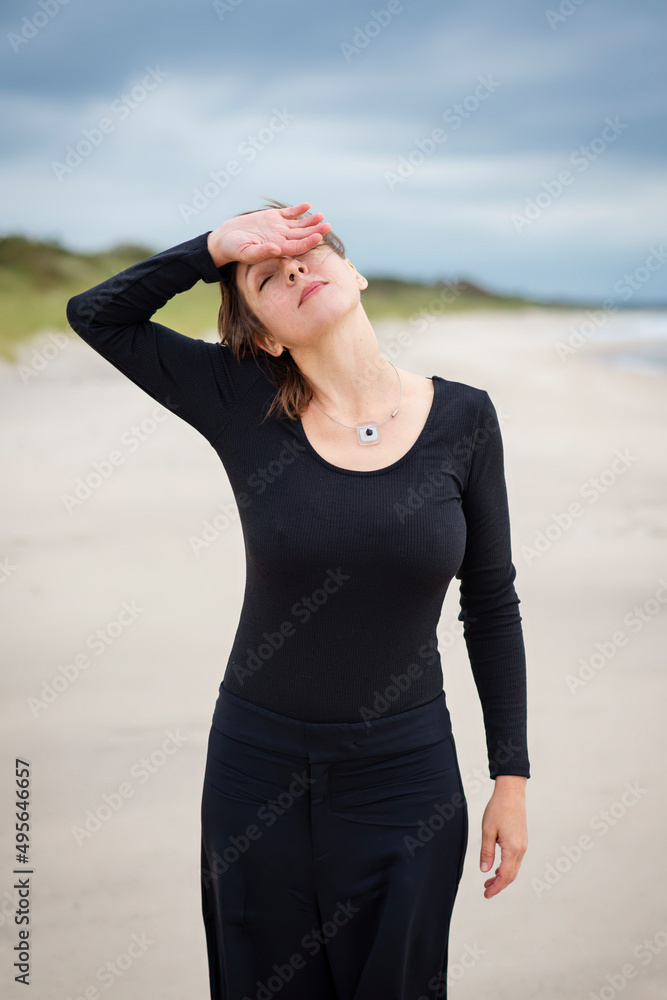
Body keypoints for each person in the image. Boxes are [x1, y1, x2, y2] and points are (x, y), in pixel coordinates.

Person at [66, 198, 530, 1000]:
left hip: (405, 779)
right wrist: (213, 248)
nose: (292, 269)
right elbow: (98, 315)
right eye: (265, 276)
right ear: (266, 334)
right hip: (258, 773)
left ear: (350, 271)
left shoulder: (464, 417)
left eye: (307, 254)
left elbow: (490, 600)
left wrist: (510, 778)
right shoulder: (241, 402)